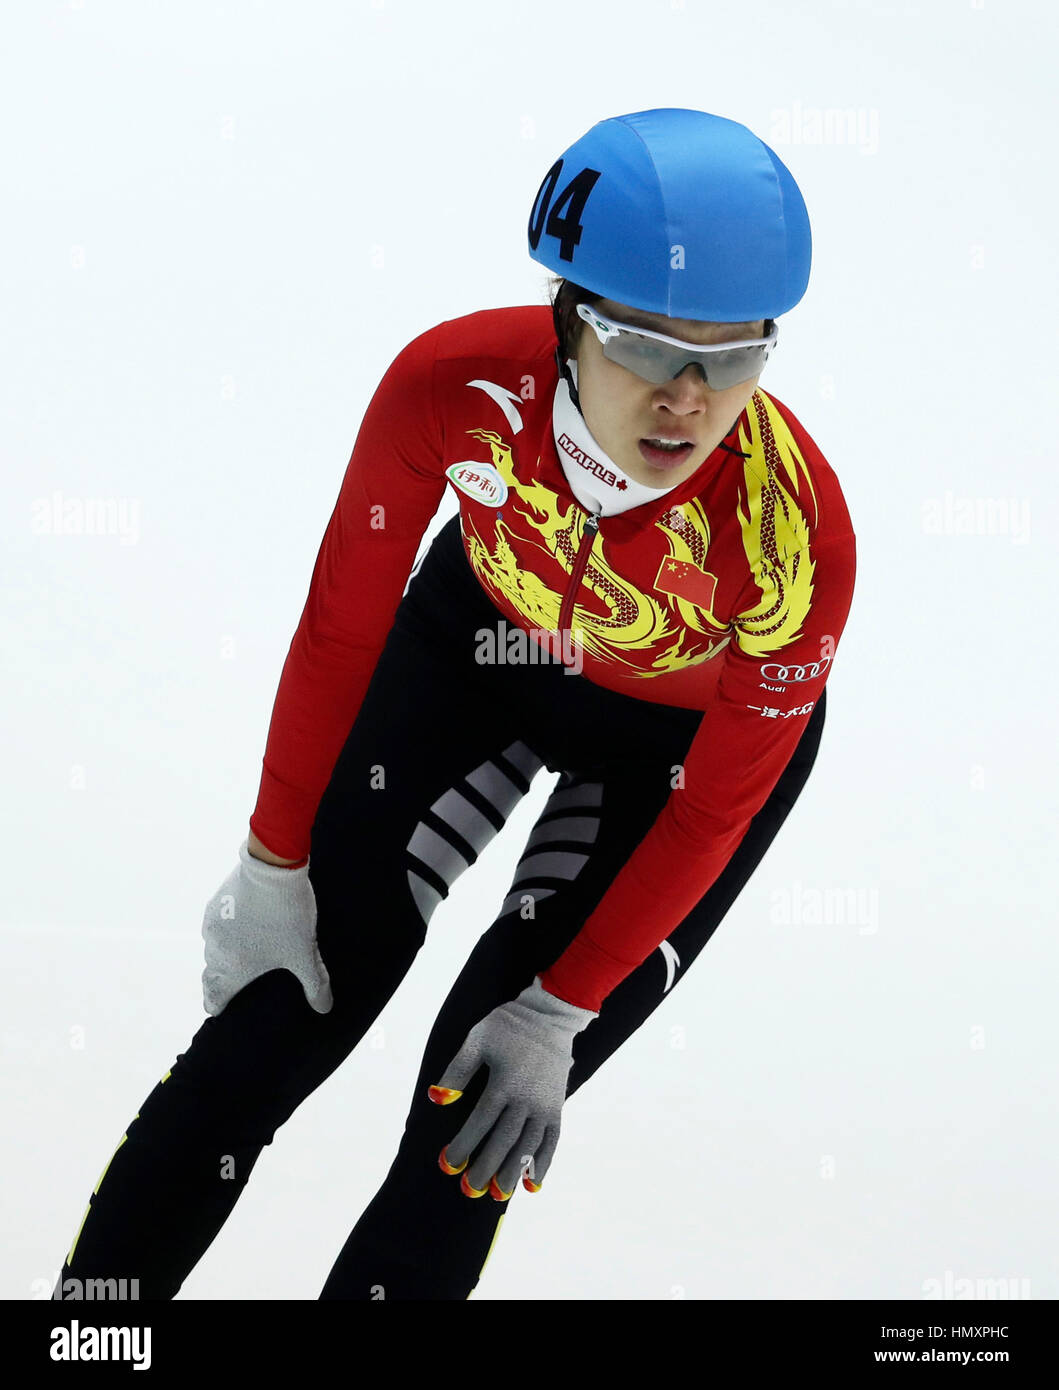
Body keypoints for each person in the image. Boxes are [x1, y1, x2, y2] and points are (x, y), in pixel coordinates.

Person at [52, 107, 856, 1302]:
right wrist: (277, 863)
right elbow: (341, 624)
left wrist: (561, 1012)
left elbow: (718, 805)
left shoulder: (797, 537)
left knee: (475, 1110)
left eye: (733, 357)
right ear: (569, 316)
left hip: (675, 760)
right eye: (649, 346)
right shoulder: (453, 384)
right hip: (479, 653)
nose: (689, 400)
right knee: (277, 1012)